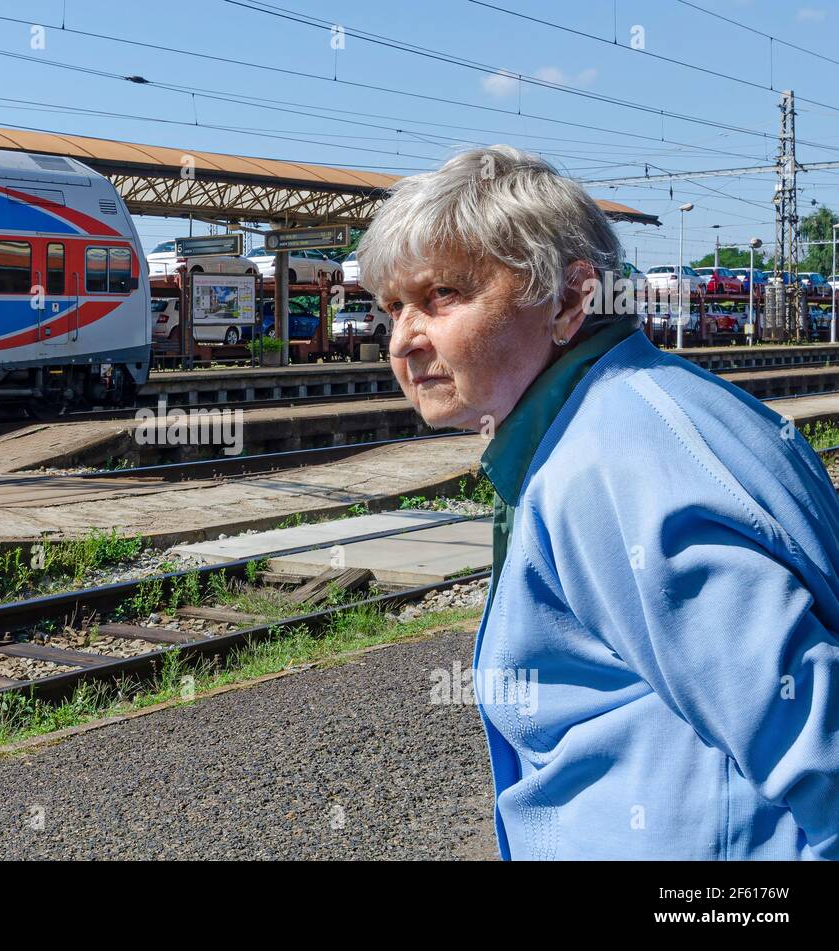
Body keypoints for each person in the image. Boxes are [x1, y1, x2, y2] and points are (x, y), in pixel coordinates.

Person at [357, 145, 839, 859]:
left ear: (571, 298)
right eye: (393, 308)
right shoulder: (646, 410)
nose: (403, 340)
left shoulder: (609, 462)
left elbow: (817, 744)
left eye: (442, 296)